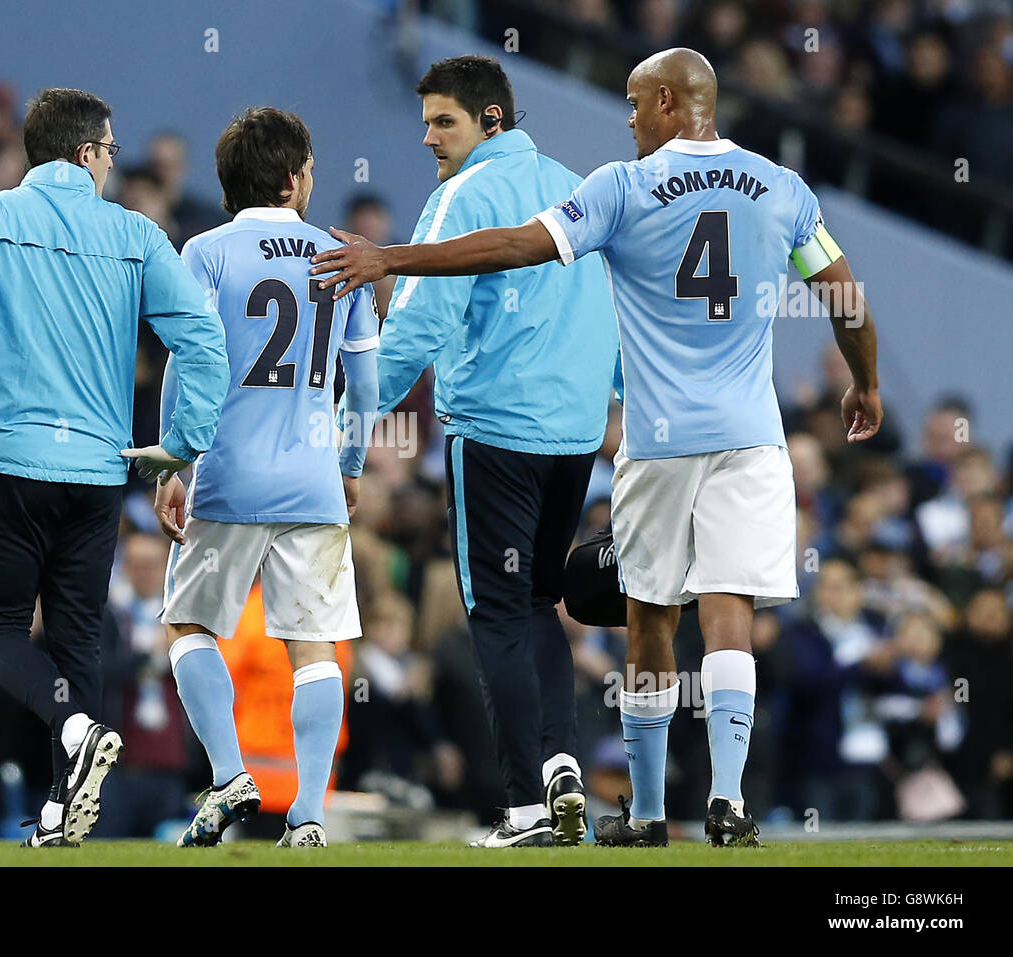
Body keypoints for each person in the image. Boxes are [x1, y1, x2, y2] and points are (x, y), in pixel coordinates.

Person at [312, 47, 883, 847]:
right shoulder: (780, 187)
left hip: (636, 439)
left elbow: (507, 252)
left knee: (627, 616)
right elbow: (846, 299)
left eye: (634, 102)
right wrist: (867, 383)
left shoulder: (618, 187)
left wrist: (389, 264)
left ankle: (616, 810)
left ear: (669, 103)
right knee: (725, 613)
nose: (627, 118)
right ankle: (724, 797)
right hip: (729, 440)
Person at [0, 87, 229, 847]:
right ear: (86, 154)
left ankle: (73, 736)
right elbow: (204, 344)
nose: (114, 163)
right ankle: (61, 807)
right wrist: (179, 443)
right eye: (111, 151)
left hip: (12, 459)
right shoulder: (138, 234)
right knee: (79, 639)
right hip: (97, 470)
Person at [336, 55, 621, 847]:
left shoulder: (463, 195)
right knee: (538, 606)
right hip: (572, 437)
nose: (428, 136)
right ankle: (563, 765)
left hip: (495, 428)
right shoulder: (577, 187)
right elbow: (611, 312)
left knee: (492, 615)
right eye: (426, 120)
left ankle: (526, 807)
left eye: (443, 121)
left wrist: (349, 437)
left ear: (491, 119)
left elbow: (419, 325)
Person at [128, 107, 378, 848]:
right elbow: (364, 386)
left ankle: (231, 773)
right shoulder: (343, 254)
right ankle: (307, 813)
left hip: (228, 474)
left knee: (187, 625)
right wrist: (352, 464)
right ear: (296, 177)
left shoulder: (204, 251)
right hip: (312, 480)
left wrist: (173, 459)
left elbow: (189, 360)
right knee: (315, 644)